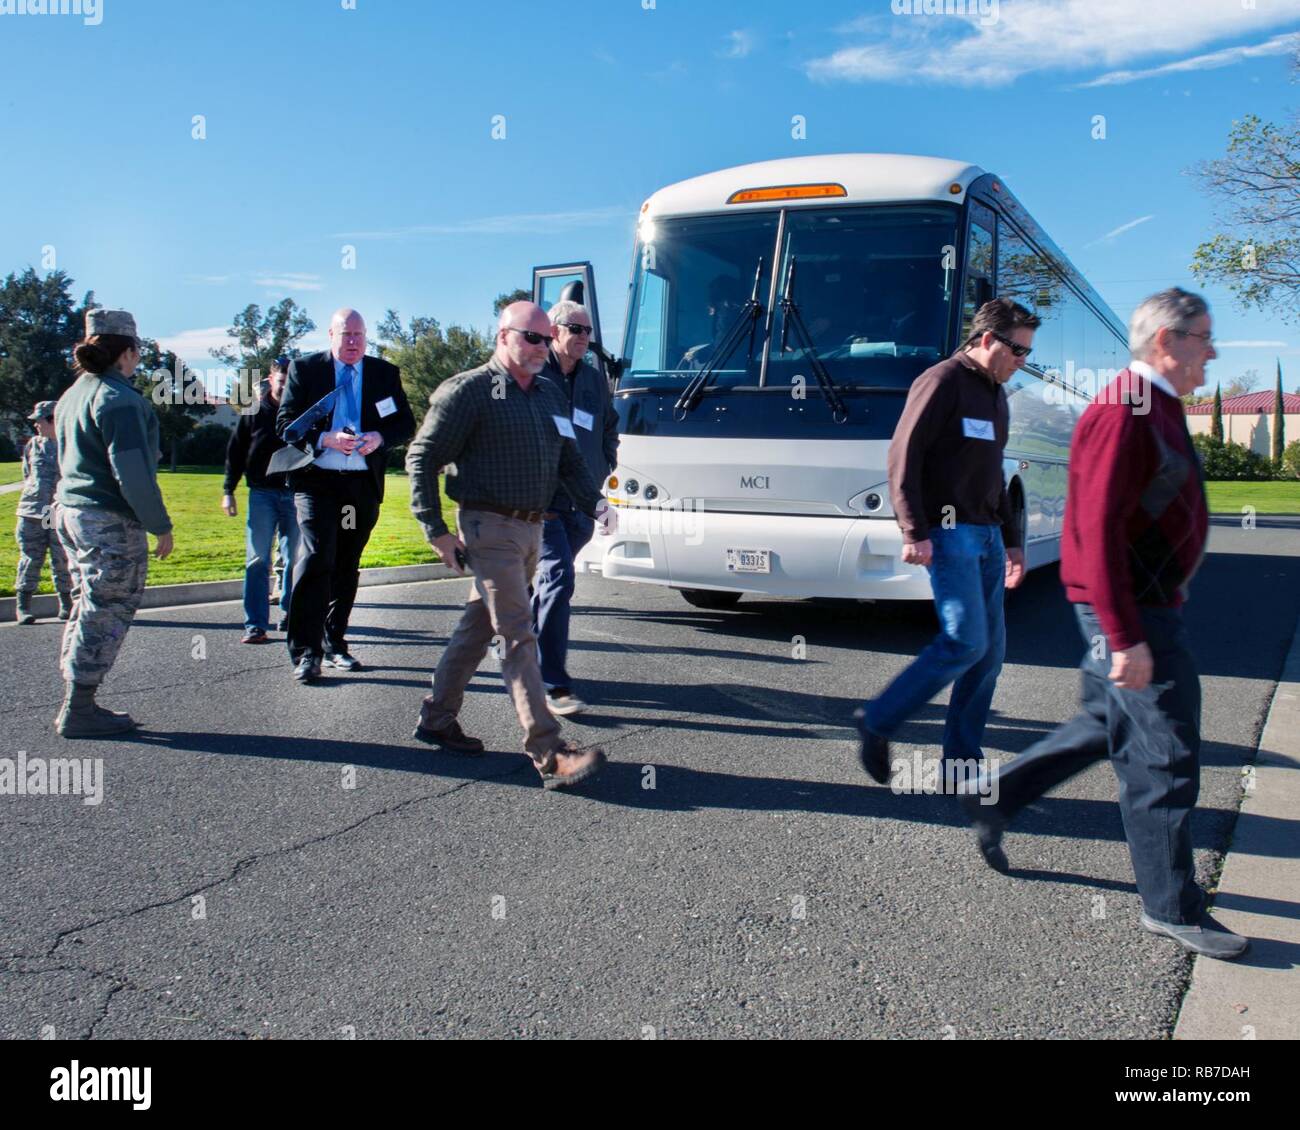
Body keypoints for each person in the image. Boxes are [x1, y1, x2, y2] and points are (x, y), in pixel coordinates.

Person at [959, 288, 1247, 961]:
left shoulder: (1157, 405)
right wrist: (1124, 637)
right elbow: (1093, 529)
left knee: (1104, 725)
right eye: (1204, 337)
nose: (1214, 351)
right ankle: (1171, 906)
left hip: (1141, 604)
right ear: (1168, 342)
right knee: (1165, 752)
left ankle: (997, 797)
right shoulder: (1125, 409)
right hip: (1131, 611)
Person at [406, 301, 618, 790]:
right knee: (517, 632)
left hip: (532, 528)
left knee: (478, 627)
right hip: (488, 526)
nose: (544, 348)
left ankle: (437, 719)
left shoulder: (545, 393)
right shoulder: (470, 391)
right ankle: (548, 750)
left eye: (547, 339)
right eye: (533, 338)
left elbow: (569, 460)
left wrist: (597, 503)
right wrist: (435, 529)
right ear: (504, 336)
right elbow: (421, 457)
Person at [854, 299, 1036, 784]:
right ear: (986, 340)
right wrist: (913, 530)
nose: (1023, 361)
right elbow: (903, 457)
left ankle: (960, 765)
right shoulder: (940, 381)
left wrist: (1012, 540)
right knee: (964, 643)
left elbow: (993, 473)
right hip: (948, 533)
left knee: (989, 655)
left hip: (988, 538)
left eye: (1027, 353)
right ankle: (878, 720)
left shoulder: (997, 395)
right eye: (1017, 350)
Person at [272, 309, 415, 684]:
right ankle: (306, 652)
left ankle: (335, 642)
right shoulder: (306, 370)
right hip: (316, 481)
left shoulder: (385, 373)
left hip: (359, 486)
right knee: (319, 556)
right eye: (346, 334)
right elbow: (285, 425)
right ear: (331, 334)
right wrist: (325, 438)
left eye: (359, 335)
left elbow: (404, 423)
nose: (353, 341)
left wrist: (379, 438)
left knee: (347, 562)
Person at [53, 308, 174, 737]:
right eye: (138, 352)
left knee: (88, 604)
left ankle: (77, 697)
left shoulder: (72, 395)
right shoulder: (119, 400)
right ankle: (80, 708)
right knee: (107, 608)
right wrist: (159, 524)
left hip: (71, 513)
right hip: (106, 517)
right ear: (127, 352)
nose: (138, 360)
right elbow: (132, 474)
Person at [531, 300, 619, 716]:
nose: (583, 336)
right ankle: (553, 683)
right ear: (553, 330)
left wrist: (606, 463)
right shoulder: (533, 371)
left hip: (582, 503)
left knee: (550, 583)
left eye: (587, 331)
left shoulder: (594, 379)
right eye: (574, 328)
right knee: (559, 579)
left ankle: (517, 643)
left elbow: (608, 425)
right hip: (543, 501)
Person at [222, 357, 299, 643]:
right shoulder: (253, 411)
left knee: (294, 559)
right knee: (257, 560)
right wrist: (228, 491)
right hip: (262, 494)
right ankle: (255, 624)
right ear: (271, 378)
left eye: (290, 381)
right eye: (281, 380)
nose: (285, 386)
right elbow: (235, 453)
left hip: (294, 493)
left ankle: (291, 613)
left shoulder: (300, 412)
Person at [13, 400, 73, 625]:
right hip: (32, 511)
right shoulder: (33, 444)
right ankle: (23, 607)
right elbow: (27, 475)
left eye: (39, 420)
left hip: (56, 511)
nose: (36, 424)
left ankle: (66, 605)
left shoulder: (70, 444)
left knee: (61, 559)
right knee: (30, 559)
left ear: (53, 420)